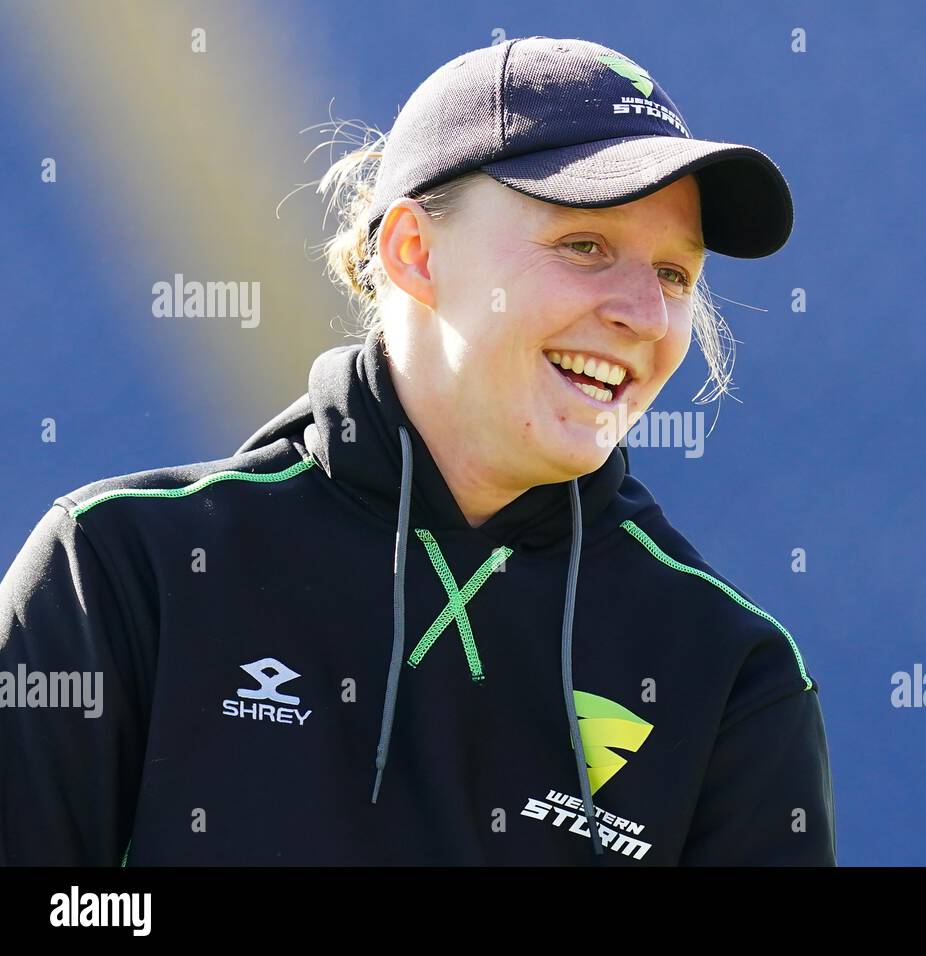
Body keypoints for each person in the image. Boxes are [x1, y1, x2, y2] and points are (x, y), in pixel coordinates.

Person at [0, 36, 835, 865]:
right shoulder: (119, 568)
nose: (646, 316)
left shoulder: (727, 673)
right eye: (585, 247)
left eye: (675, 275)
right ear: (414, 252)